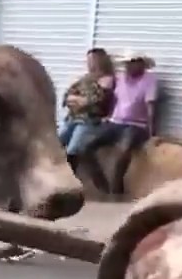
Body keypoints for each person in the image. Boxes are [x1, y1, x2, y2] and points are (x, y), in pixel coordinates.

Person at [77, 48, 158, 197]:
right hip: (115, 122)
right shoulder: (120, 78)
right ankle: (102, 186)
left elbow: (150, 106)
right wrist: (107, 115)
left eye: (131, 63)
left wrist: (152, 132)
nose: (128, 67)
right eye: (126, 64)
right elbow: (114, 99)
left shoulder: (149, 80)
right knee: (85, 147)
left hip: (136, 125)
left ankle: (116, 190)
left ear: (140, 64)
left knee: (123, 151)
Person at [59, 48, 115, 172]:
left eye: (92, 60)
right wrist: (78, 99)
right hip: (74, 117)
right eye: (88, 60)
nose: (89, 63)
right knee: (57, 142)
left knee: (73, 149)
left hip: (90, 120)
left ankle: (70, 176)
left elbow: (98, 100)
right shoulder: (85, 79)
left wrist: (80, 100)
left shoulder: (107, 80)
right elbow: (68, 95)